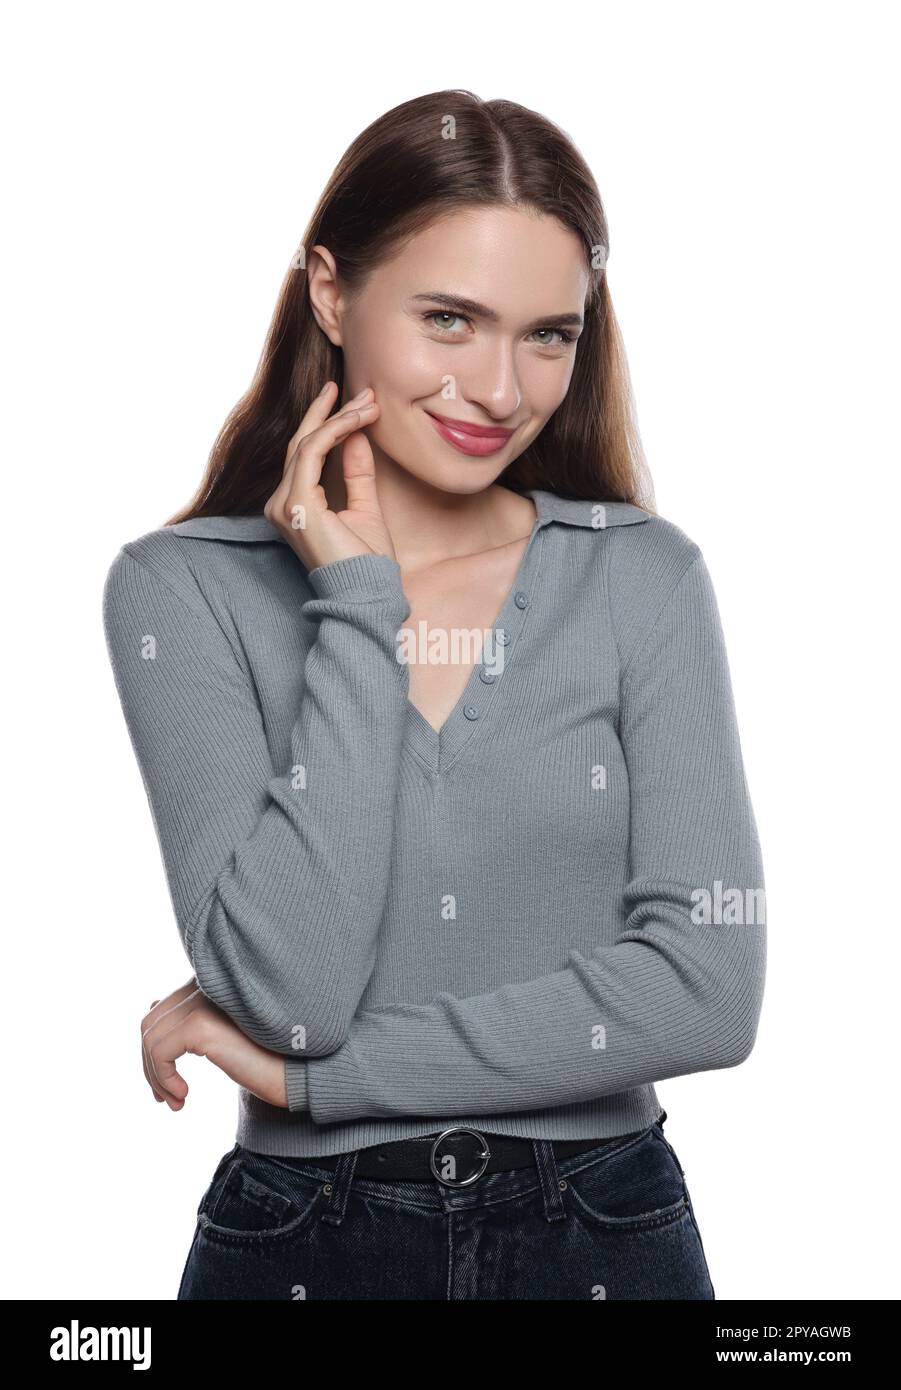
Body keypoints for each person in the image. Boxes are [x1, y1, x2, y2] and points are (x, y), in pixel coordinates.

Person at [102, 89, 766, 1301]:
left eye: (548, 336)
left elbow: (707, 992)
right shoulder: (180, 590)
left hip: (603, 1232)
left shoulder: (642, 577)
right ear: (331, 292)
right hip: (305, 1239)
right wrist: (356, 606)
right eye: (449, 319)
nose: (502, 390)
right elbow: (293, 994)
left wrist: (322, 1085)